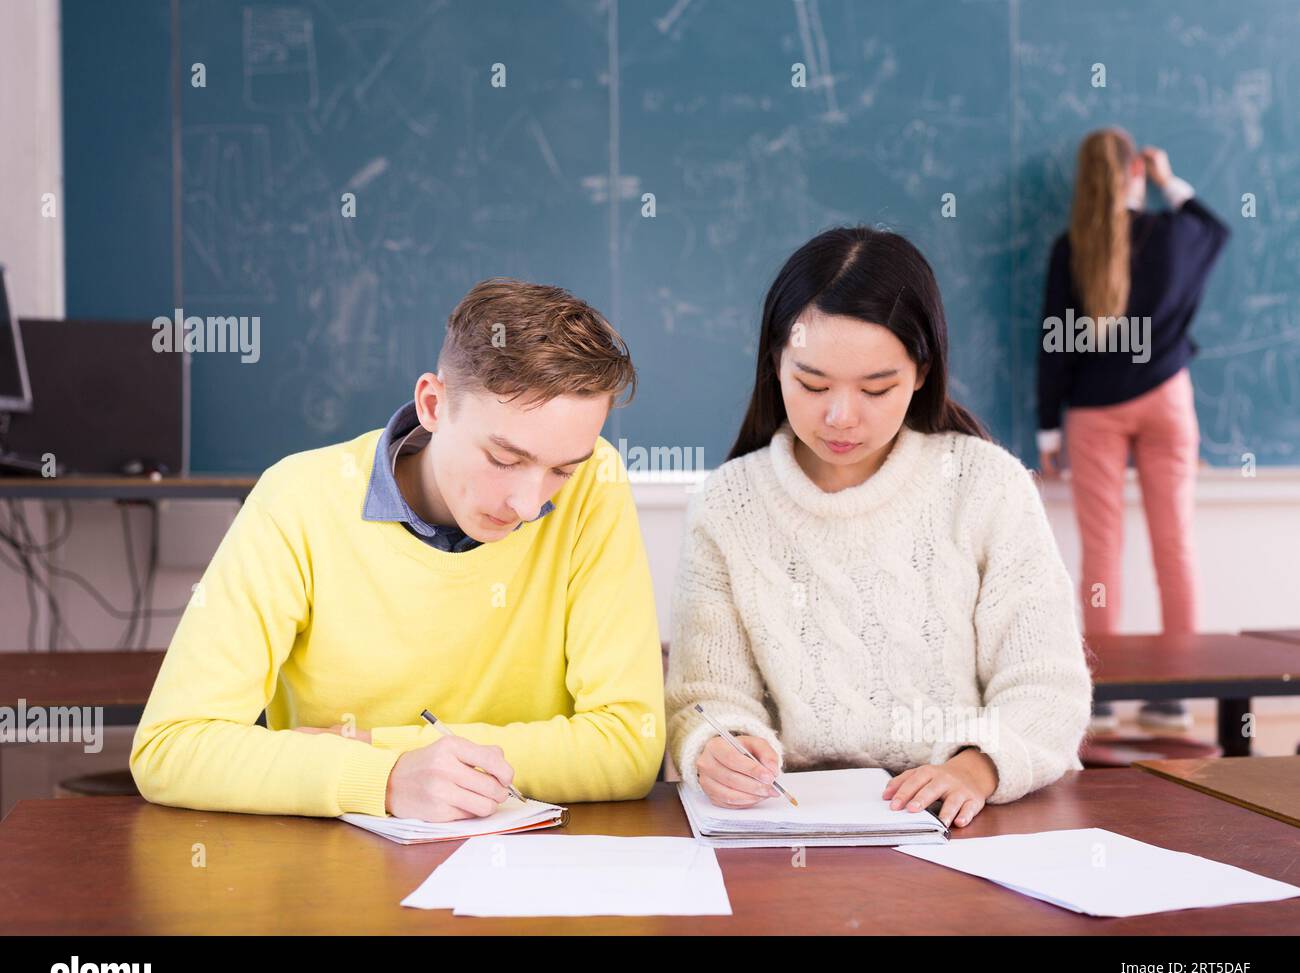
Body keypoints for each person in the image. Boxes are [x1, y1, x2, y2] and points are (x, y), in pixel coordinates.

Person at [131, 278, 665, 820]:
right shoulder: (297, 497)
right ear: (433, 404)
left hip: (532, 870)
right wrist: (385, 784)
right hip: (340, 874)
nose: (529, 505)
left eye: (561, 470)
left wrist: (375, 751)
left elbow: (628, 746)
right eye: (504, 460)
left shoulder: (596, 484)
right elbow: (172, 747)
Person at [664, 226, 1091, 829]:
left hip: (963, 819)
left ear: (921, 372)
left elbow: (1047, 685)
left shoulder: (986, 485)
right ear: (775, 365)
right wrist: (720, 744)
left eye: (877, 387)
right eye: (811, 384)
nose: (841, 416)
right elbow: (705, 696)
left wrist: (977, 766)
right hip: (792, 829)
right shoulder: (727, 504)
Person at [1038, 128, 1230, 732]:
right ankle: (1176, 696)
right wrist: (1169, 178)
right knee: (1174, 546)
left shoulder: (1072, 248)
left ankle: (1106, 695)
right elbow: (1216, 227)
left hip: (1095, 409)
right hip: (1168, 401)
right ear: (1136, 175)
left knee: (1102, 551)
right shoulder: (1174, 235)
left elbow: (1053, 347)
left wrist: (1048, 433)